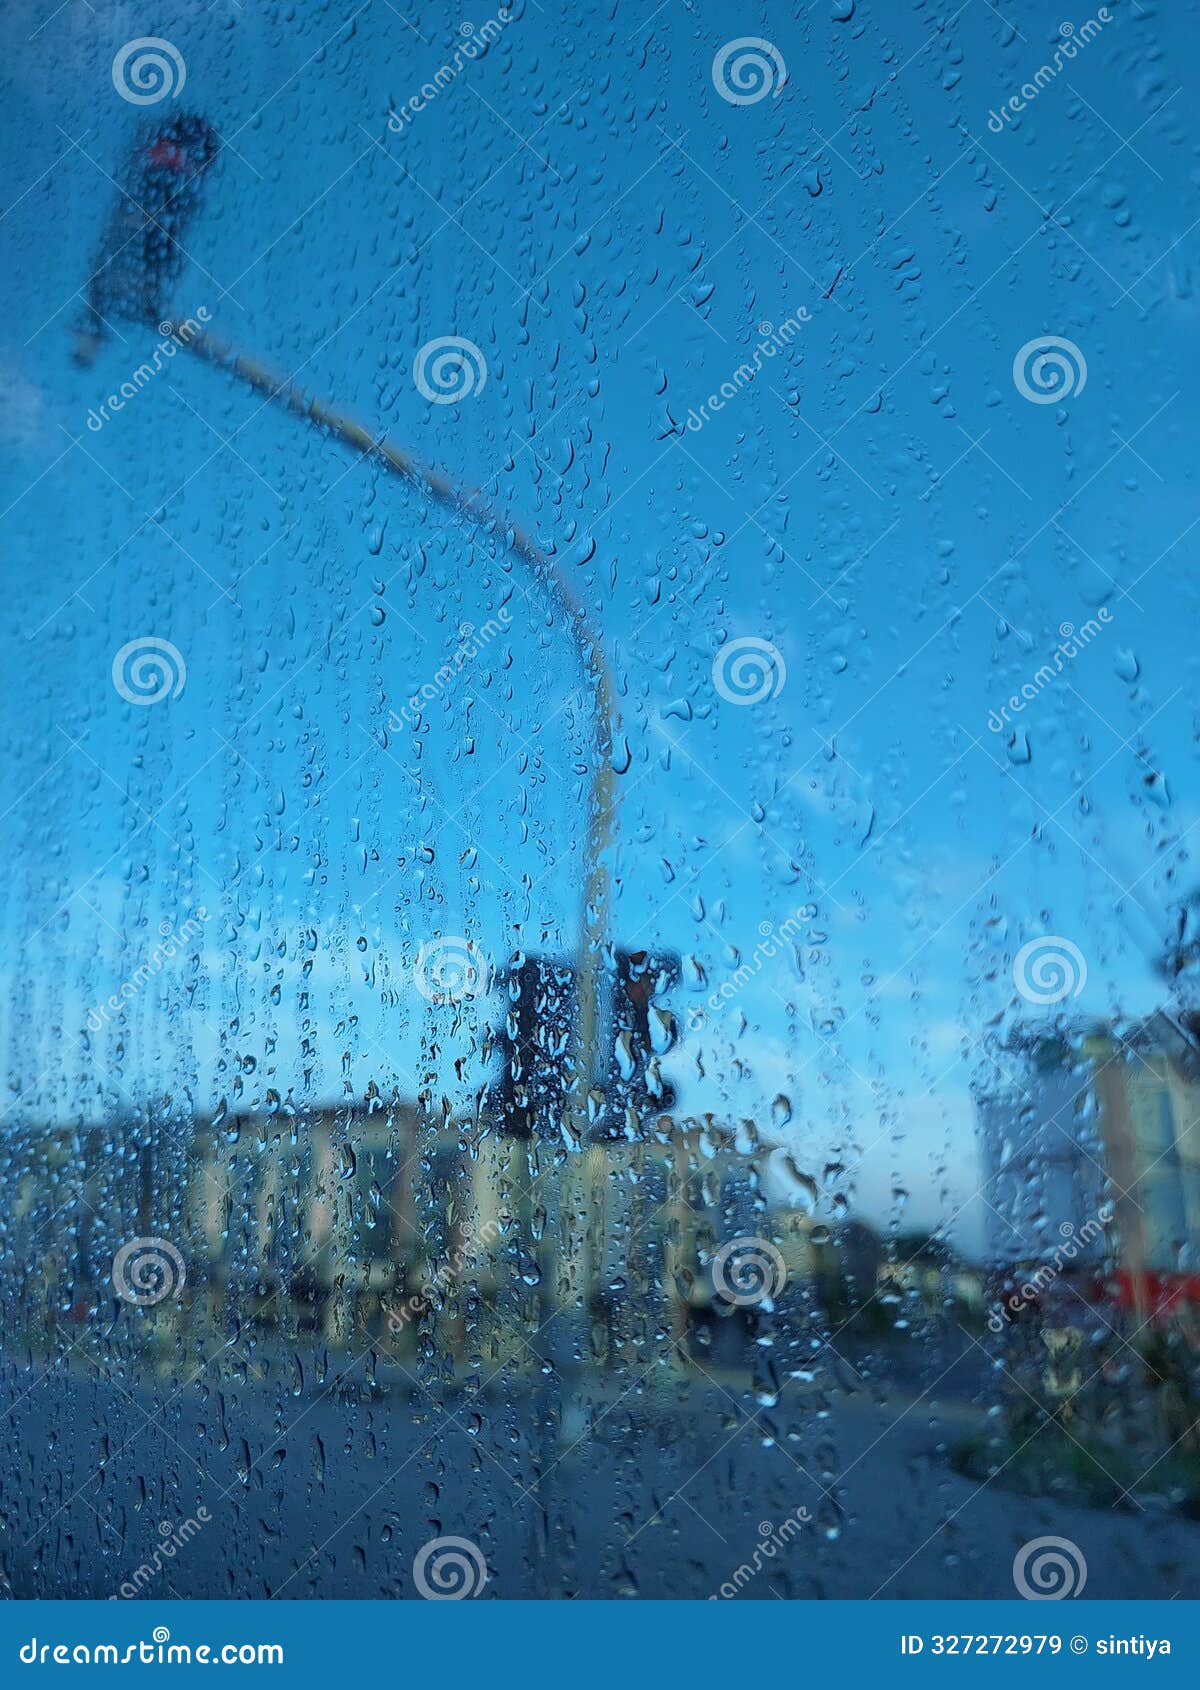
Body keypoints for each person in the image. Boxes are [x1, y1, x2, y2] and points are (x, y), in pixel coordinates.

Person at [74, 113, 220, 367]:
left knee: (151, 234)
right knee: (151, 235)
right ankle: (137, 299)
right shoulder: (166, 163)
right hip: (163, 184)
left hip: (163, 184)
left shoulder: (168, 165)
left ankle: (138, 299)